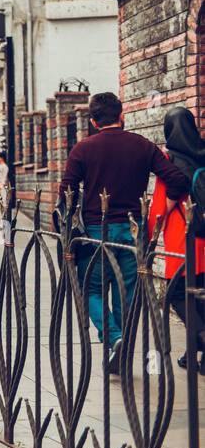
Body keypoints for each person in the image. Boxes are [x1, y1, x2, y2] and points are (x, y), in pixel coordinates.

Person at [59, 91, 189, 372]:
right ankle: (124, 342)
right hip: (133, 229)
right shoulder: (142, 146)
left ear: (93, 122)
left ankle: (115, 339)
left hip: (95, 230)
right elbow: (179, 180)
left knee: (90, 290)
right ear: (122, 115)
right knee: (127, 290)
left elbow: (66, 193)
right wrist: (164, 208)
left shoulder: (82, 149)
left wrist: (68, 236)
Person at [148, 106, 205, 371]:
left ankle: (202, 340)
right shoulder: (202, 153)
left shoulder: (170, 163)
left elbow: (160, 209)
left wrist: (148, 237)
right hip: (204, 237)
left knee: (177, 295)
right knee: (201, 295)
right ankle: (196, 356)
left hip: (182, 239)